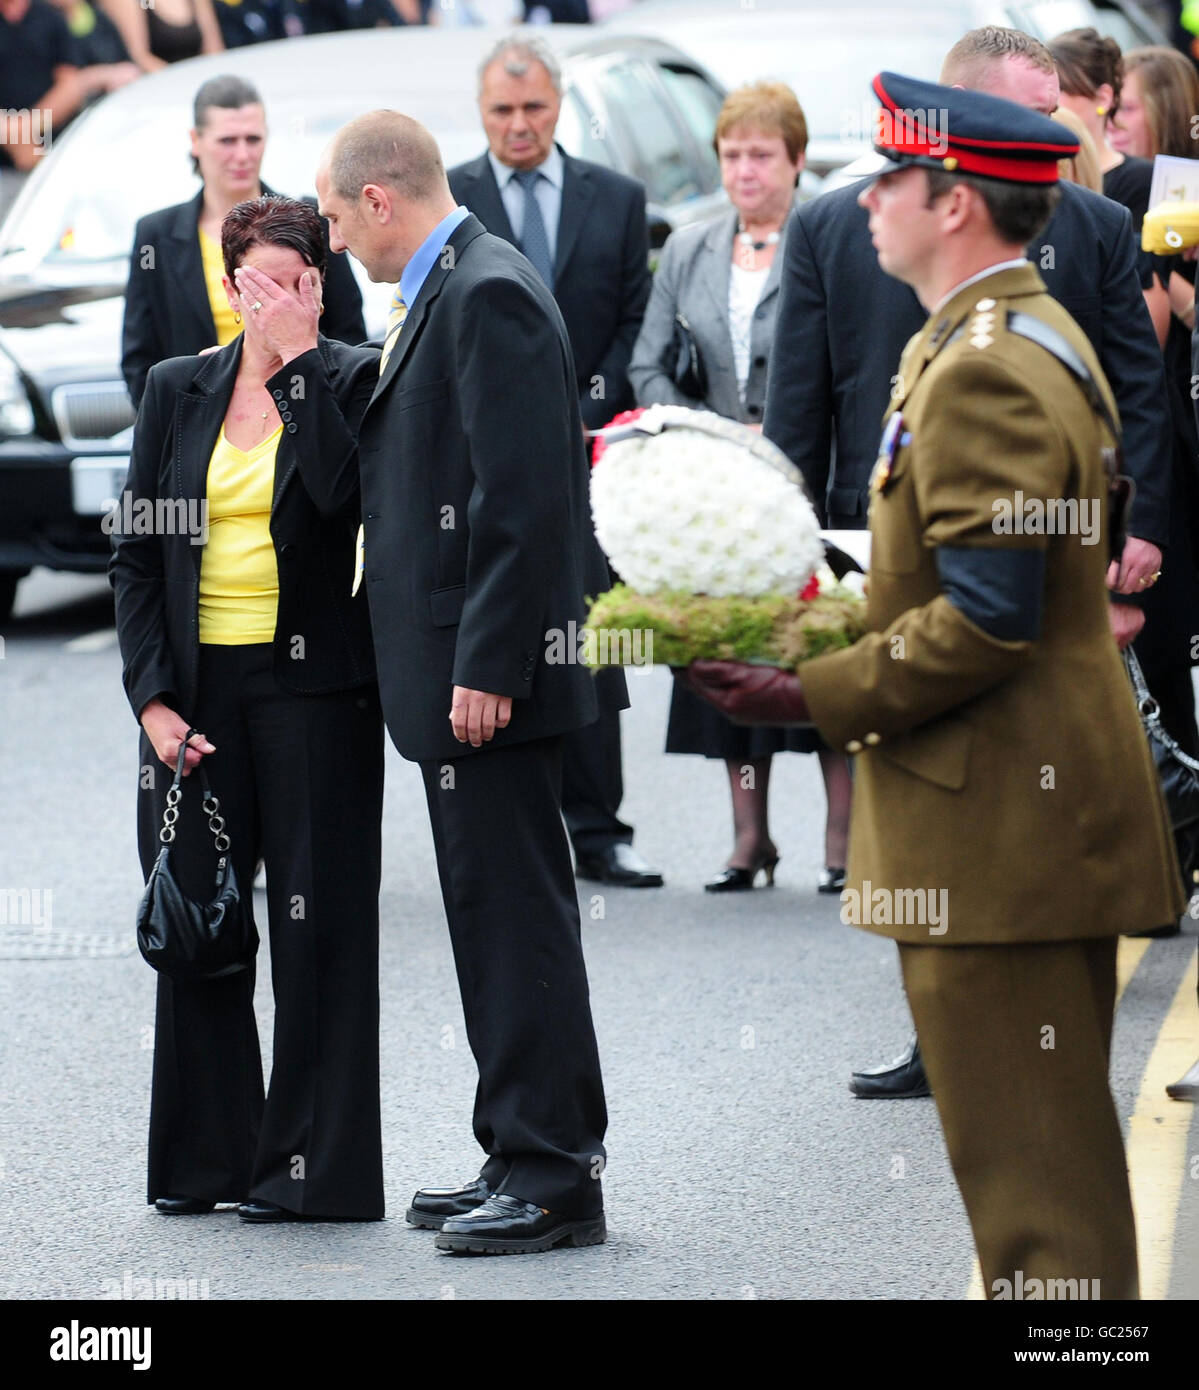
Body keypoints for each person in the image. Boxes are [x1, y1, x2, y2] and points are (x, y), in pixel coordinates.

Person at [684, 73, 1183, 1299]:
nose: (864, 203)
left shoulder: (983, 366)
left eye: (889, 181)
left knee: (1036, 1202)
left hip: (1003, 832)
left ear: (953, 203)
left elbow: (987, 620)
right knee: (1038, 1185)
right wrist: (802, 629)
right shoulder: (984, 335)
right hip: (1005, 820)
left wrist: (804, 693)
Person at [764, 24, 1175, 1100]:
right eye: (1032, 113)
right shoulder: (839, 234)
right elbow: (799, 404)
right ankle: (946, 1023)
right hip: (873, 543)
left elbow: (1130, 390)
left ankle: (1004, 1012)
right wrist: (788, 550)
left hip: (1014, 573)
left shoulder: (1082, 236)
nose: (1058, 134)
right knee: (923, 797)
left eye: (1056, 112)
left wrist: (1135, 533)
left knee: (1002, 786)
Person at [316, 111, 609, 1254]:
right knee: (491, 919)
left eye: (336, 220)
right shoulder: (450, 284)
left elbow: (522, 500)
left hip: (489, 682)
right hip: (459, 678)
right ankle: (515, 1146)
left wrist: (487, 664)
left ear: (378, 199)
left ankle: (553, 1175)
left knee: (516, 922)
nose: (338, 242)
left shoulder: (484, 290)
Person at [110, 195, 386, 1222]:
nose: (272, 301)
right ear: (229, 288)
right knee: (200, 920)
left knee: (320, 934)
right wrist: (153, 701)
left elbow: (341, 499)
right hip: (197, 696)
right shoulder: (176, 388)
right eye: (256, 283)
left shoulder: (354, 378)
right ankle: (209, 1161)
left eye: (294, 282)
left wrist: (303, 361)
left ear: (319, 284)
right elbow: (137, 555)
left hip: (316, 694)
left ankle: (311, 1172)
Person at [448, 35, 662, 890]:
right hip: (484, 457)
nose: (518, 124)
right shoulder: (451, 198)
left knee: (589, 638)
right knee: (497, 632)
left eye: (533, 107)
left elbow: (633, 316)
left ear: (559, 105)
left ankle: (599, 830)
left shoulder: (616, 198)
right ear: (480, 112)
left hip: (590, 452)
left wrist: (584, 410)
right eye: (501, 110)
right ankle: (513, 832)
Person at [628, 81, 850, 894]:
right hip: (717, 485)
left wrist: (784, 433)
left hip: (808, 480)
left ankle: (841, 842)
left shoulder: (827, 237)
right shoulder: (691, 247)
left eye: (761, 155)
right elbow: (646, 365)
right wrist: (712, 433)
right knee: (728, 652)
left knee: (820, 650)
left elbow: (841, 360)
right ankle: (748, 839)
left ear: (796, 160)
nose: (744, 170)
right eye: (731, 155)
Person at [122, 75, 365, 409]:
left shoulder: (311, 220)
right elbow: (140, 358)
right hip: (200, 419)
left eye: (253, 139)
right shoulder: (156, 236)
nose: (242, 155)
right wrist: (170, 427)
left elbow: (349, 334)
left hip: (303, 410)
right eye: (227, 141)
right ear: (196, 140)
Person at [0, 0, 83, 216]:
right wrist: (9, 132)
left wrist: (28, 128)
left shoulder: (49, 17)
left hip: (50, 154)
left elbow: (70, 85)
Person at [99, 0, 223, 68]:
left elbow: (214, 45)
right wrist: (181, 81)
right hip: (160, 88)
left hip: (202, 80)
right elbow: (139, 56)